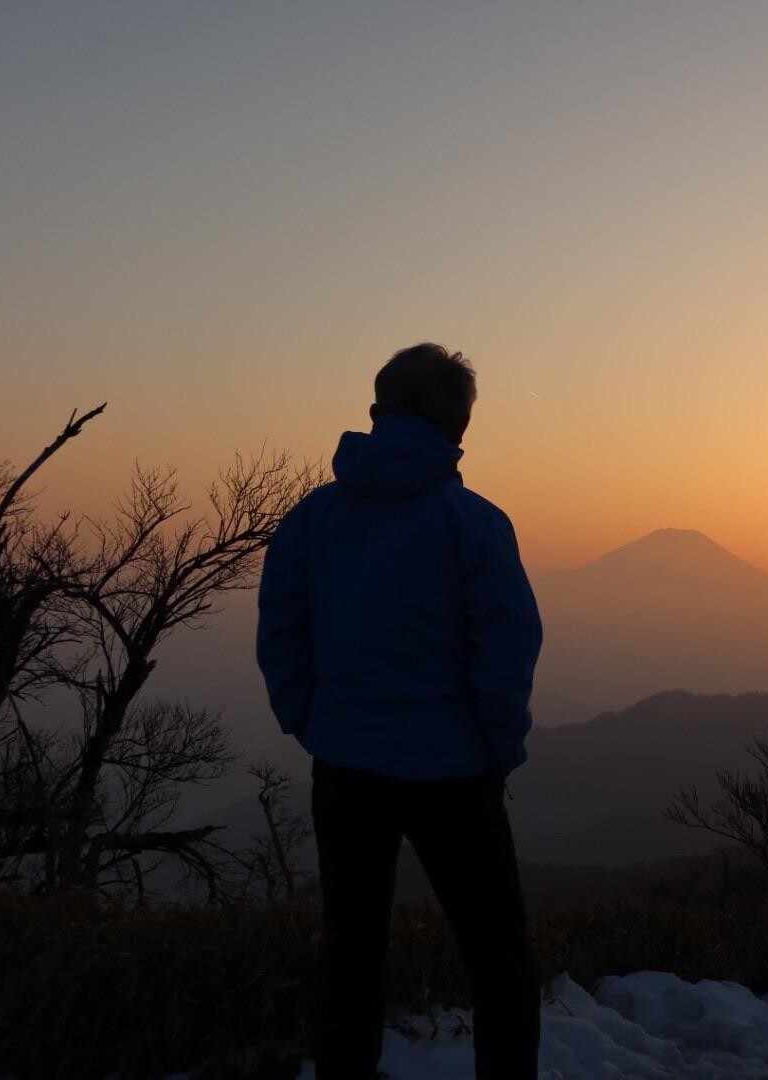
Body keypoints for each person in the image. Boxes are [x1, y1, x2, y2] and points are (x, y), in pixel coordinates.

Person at [257, 343, 544, 1079]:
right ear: (458, 428)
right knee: (499, 960)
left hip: (345, 766)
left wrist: (309, 721)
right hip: (456, 770)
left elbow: (281, 629)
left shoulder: (311, 521)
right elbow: (507, 647)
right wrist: (498, 747)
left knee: (350, 954)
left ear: (376, 414)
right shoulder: (473, 523)